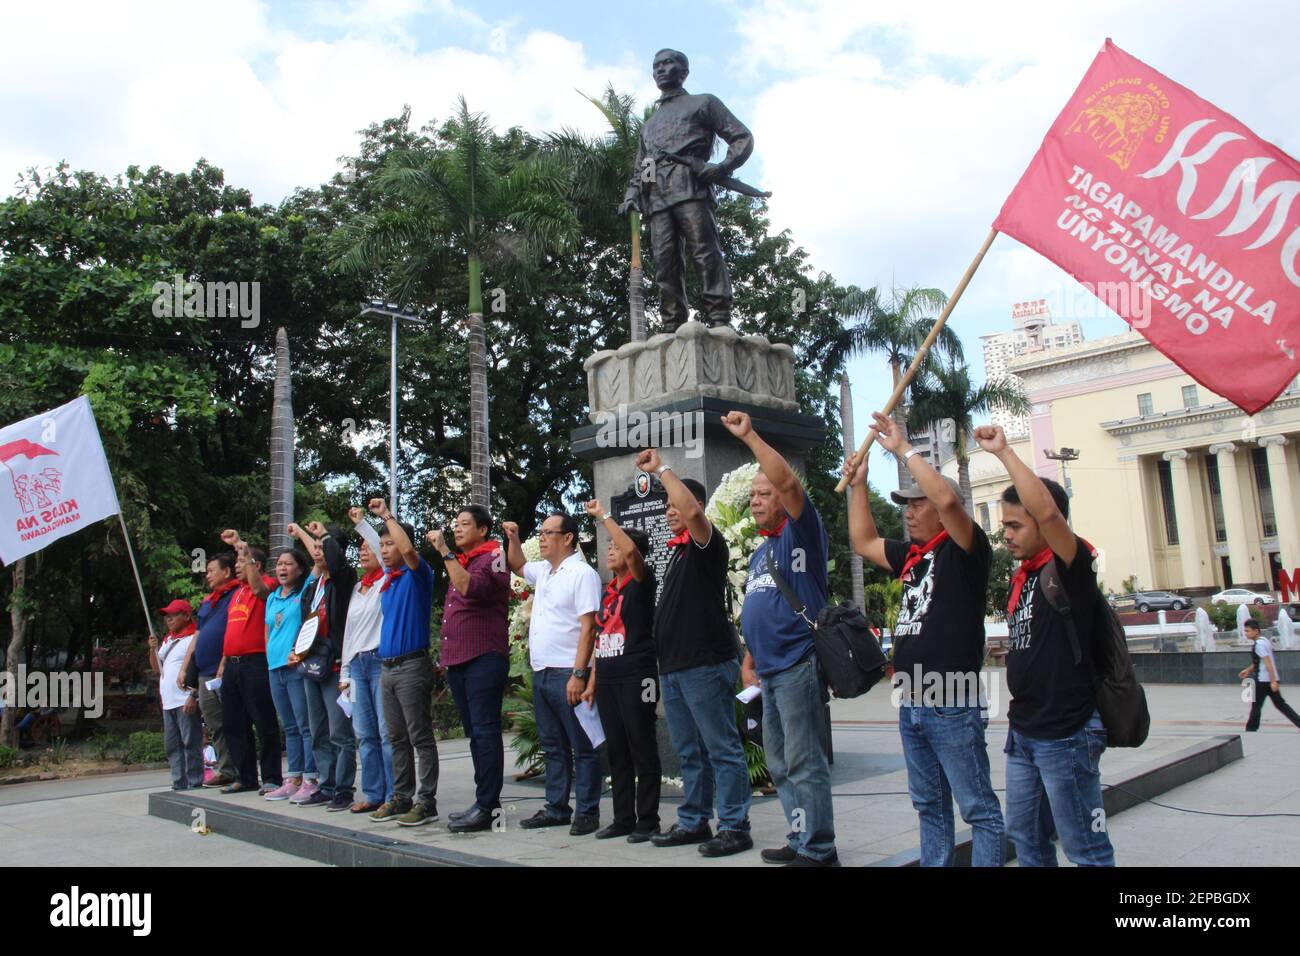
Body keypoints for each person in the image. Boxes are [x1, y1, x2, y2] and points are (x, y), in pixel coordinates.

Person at [844, 411, 1004, 867]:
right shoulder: (913, 556)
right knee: (928, 806)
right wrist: (859, 483)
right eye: (906, 506)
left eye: (917, 504)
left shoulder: (965, 550)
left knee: (977, 808)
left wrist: (903, 449)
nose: (909, 512)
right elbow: (862, 540)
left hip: (951, 694)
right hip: (911, 696)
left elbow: (953, 506)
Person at [974, 423, 1115, 867]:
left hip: (1067, 733)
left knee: (1085, 848)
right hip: (1026, 731)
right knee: (1027, 839)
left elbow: (1052, 517)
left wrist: (1005, 454)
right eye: (1005, 526)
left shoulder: (1070, 567)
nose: (1006, 535)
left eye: (1016, 525)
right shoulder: (1025, 578)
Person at [721, 410, 837, 866]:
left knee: (805, 761)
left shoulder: (801, 532)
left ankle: (821, 850)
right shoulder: (761, 551)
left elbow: (788, 483)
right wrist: (750, 655)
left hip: (797, 666)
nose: (754, 500)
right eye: (750, 495)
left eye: (762, 493)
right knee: (783, 763)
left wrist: (749, 437)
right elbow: (763, 607)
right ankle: (800, 836)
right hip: (768, 671)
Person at [635, 448, 753, 857]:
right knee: (690, 751)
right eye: (666, 506)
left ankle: (736, 825)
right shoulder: (679, 552)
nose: (670, 511)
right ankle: (694, 821)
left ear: (696, 506)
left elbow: (694, 515)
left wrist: (663, 469)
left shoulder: (708, 544)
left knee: (720, 747)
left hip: (704, 664)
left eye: (675, 504)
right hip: (676, 667)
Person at [617, 48, 753, 330]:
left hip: (690, 187)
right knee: (665, 263)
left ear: (684, 71)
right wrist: (633, 194)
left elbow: (741, 137)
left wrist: (723, 167)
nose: (661, 69)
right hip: (657, 197)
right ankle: (672, 322)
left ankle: (719, 317)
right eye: (656, 65)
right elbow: (644, 167)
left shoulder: (703, 103)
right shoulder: (649, 126)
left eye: (668, 63)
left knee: (704, 252)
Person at [502, 512, 603, 835]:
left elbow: (589, 628)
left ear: (568, 538)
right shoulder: (545, 570)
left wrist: (579, 673)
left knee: (583, 746)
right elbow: (518, 565)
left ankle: (587, 812)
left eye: (548, 533)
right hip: (542, 670)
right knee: (553, 746)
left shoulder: (582, 574)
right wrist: (514, 539)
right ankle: (556, 807)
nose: (542, 538)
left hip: (568, 672)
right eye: (541, 532)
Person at [427, 505, 511, 833]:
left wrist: (445, 551)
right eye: (455, 524)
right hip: (459, 659)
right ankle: (483, 802)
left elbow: (471, 589)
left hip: (484, 656)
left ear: (484, 530)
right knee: (476, 734)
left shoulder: (495, 557)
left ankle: (489, 807)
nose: (457, 529)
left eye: (465, 524)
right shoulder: (462, 561)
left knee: (486, 731)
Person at [584, 498, 661, 841]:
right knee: (616, 749)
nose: (611, 551)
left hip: (637, 674)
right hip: (609, 676)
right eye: (609, 546)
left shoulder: (642, 581)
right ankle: (622, 818)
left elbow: (632, 554)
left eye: (617, 546)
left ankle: (648, 820)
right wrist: (592, 681)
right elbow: (601, 639)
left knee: (641, 745)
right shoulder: (608, 591)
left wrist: (604, 517)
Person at [367, 498, 440, 827]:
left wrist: (387, 515)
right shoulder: (388, 580)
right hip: (387, 667)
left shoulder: (417, 573)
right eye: (381, 544)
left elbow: (409, 551)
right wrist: (363, 523)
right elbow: (378, 546)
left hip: (412, 666)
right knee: (395, 737)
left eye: (389, 543)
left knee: (419, 736)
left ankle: (426, 802)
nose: (383, 549)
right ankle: (401, 796)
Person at [291, 521, 358, 811]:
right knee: (318, 731)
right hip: (311, 664)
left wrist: (324, 535)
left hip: (334, 665)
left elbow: (335, 558)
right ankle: (326, 784)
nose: (317, 552)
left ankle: (344, 788)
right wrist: (298, 650)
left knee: (339, 732)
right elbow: (306, 623)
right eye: (315, 547)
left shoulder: (343, 579)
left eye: (322, 546)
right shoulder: (315, 584)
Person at [216, 532, 283, 795]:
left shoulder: (266, 585)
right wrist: (223, 663)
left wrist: (241, 546)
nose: (236, 566)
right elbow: (231, 632)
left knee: (263, 720)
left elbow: (259, 590)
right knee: (234, 722)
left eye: (241, 562)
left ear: (255, 565)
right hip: (232, 664)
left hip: (255, 662)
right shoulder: (236, 594)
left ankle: (271, 777)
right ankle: (245, 777)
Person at [340, 507, 394, 813]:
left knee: (387, 733)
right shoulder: (358, 588)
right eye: (359, 550)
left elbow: (377, 545)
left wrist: (362, 524)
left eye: (367, 549)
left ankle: (393, 795)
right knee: (364, 734)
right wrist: (344, 674)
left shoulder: (385, 580)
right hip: (357, 667)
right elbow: (349, 633)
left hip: (378, 662)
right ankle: (373, 793)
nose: (364, 552)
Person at [176, 552, 240, 789]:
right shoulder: (207, 601)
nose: (208, 574)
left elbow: (234, 630)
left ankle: (242, 770)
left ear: (226, 571)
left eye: (212, 570)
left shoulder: (235, 595)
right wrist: (184, 668)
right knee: (214, 723)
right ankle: (226, 769)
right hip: (204, 673)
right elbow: (197, 636)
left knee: (234, 720)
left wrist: (224, 659)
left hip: (225, 669)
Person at [260, 539, 317, 804]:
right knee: (290, 726)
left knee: (305, 725)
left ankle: (310, 778)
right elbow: (269, 630)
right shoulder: (272, 597)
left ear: (299, 569)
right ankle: (292, 778)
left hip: (296, 667)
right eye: (279, 564)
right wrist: (270, 655)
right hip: (275, 668)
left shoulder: (304, 591)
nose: (282, 568)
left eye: (288, 564)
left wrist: (302, 533)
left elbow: (318, 561)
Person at [150, 599, 204, 790]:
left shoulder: (194, 638)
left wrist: (193, 695)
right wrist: (152, 649)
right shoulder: (168, 640)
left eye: (173, 615)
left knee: (191, 743)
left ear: (186, 616)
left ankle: (195, 781)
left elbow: (198, 668)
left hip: (184, 699)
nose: (169, 619)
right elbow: (158, 668)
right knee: (172, 745)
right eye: (167, 615)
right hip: (168, 702)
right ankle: (178, 782)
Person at [1240, 618, 1300, 731]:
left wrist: (1272, 681)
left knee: (1256, 706)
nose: (1246, 633)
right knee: (1281, 705)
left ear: (1256, 631)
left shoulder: (1259, 645)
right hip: (1270, 680)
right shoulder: (1265, 641)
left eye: (1248, 631)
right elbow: (1261, 661)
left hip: (1263, 681)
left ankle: (1250, 730)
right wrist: (1248, 670)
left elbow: (1268, 664)